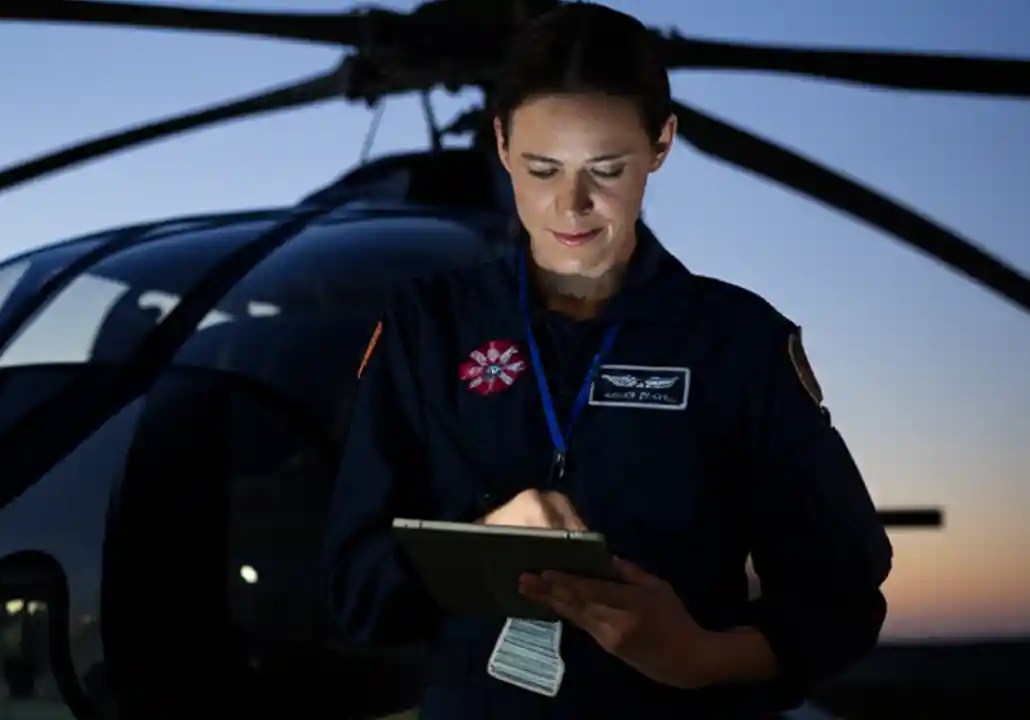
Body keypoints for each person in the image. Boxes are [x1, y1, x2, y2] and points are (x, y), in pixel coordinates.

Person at [321, 3, 893, 718]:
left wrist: (701, 657)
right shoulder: (427, 326)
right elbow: (354, 594)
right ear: (500, 146)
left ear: (661, 145)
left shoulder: (734, 339)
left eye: (608, 168)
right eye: (541, 168)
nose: (573, 204)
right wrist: (479, 545)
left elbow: (843, 595)